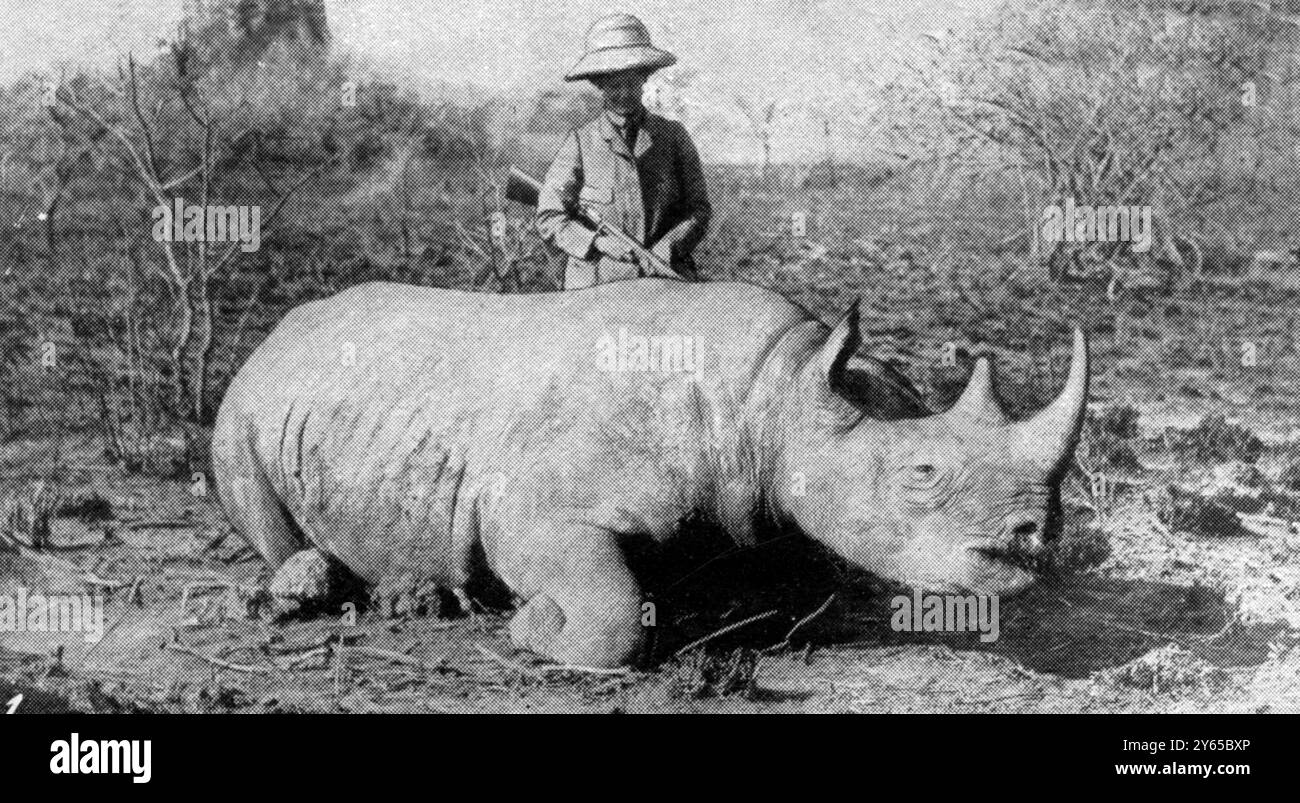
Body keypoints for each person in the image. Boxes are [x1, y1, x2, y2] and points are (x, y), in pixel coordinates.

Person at [536, 13, 711, 290]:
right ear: (600, 85)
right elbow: (549, 217)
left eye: (631, 83)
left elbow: (699, 209)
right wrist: (598, 243)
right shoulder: (580, 142)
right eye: (614, 86)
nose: (624, 93)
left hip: (665, 282)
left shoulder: (674, 136)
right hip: (595, 288)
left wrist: (671, 245)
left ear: (644, 80)